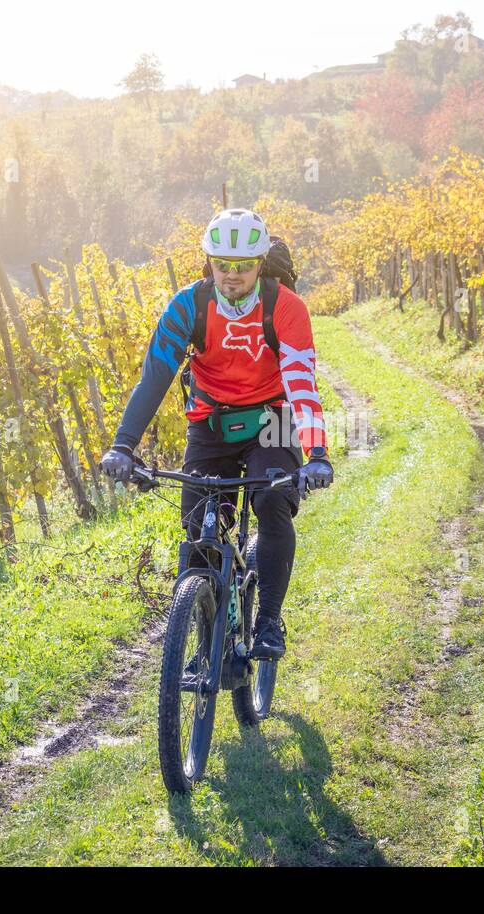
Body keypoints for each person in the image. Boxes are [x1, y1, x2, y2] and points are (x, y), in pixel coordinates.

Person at [101, 208, 333, 660]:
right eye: (221, 263)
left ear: (261, 262)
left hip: (272, 421)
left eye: (244, 265)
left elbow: (301, 382)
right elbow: (155, 376)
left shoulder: (286, 306)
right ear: (207, 260)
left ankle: (267, 622)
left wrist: (317, 452)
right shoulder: (188, 304)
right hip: (210, 424)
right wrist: (122, 445)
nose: (232, 275)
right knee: (198, 528)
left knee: (270, 500)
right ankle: (207, 638)